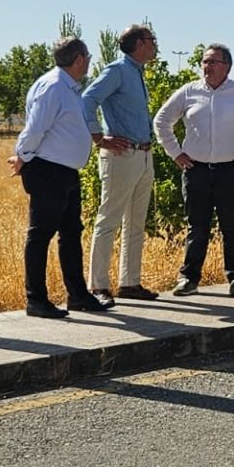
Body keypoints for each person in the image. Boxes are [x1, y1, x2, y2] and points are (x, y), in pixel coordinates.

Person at [8, 38, 114, 318]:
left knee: (70, 233)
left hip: (64, 171)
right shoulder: (54, 87)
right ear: (78, 59)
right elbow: (35, 129)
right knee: (41, 234)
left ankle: (77, 295)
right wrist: (22, 156)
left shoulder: (68, 87)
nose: (89, 62)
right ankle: (36, 300)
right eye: (87, 57)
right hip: (48, 170)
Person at [153, 43, 234, 298]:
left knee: (231, 225)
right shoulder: (189, 91)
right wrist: (175, 153)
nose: (207, 66)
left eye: (213, 62)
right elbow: (161, 121)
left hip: (231, 169)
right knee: (197, 226)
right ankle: (189, 279)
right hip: (196, 170)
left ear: (227, 66)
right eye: (205, 61)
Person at [81, 24, 160, 303]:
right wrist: (99, 137)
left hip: (143, 154)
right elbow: (87, 100)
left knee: (136, 222)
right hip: (121, 156)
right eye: (151, 40)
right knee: (109, 220)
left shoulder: (136, 72)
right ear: (139, 43)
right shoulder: (117, 71)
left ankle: (130, 283)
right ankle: (98, 285)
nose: (155, 44)